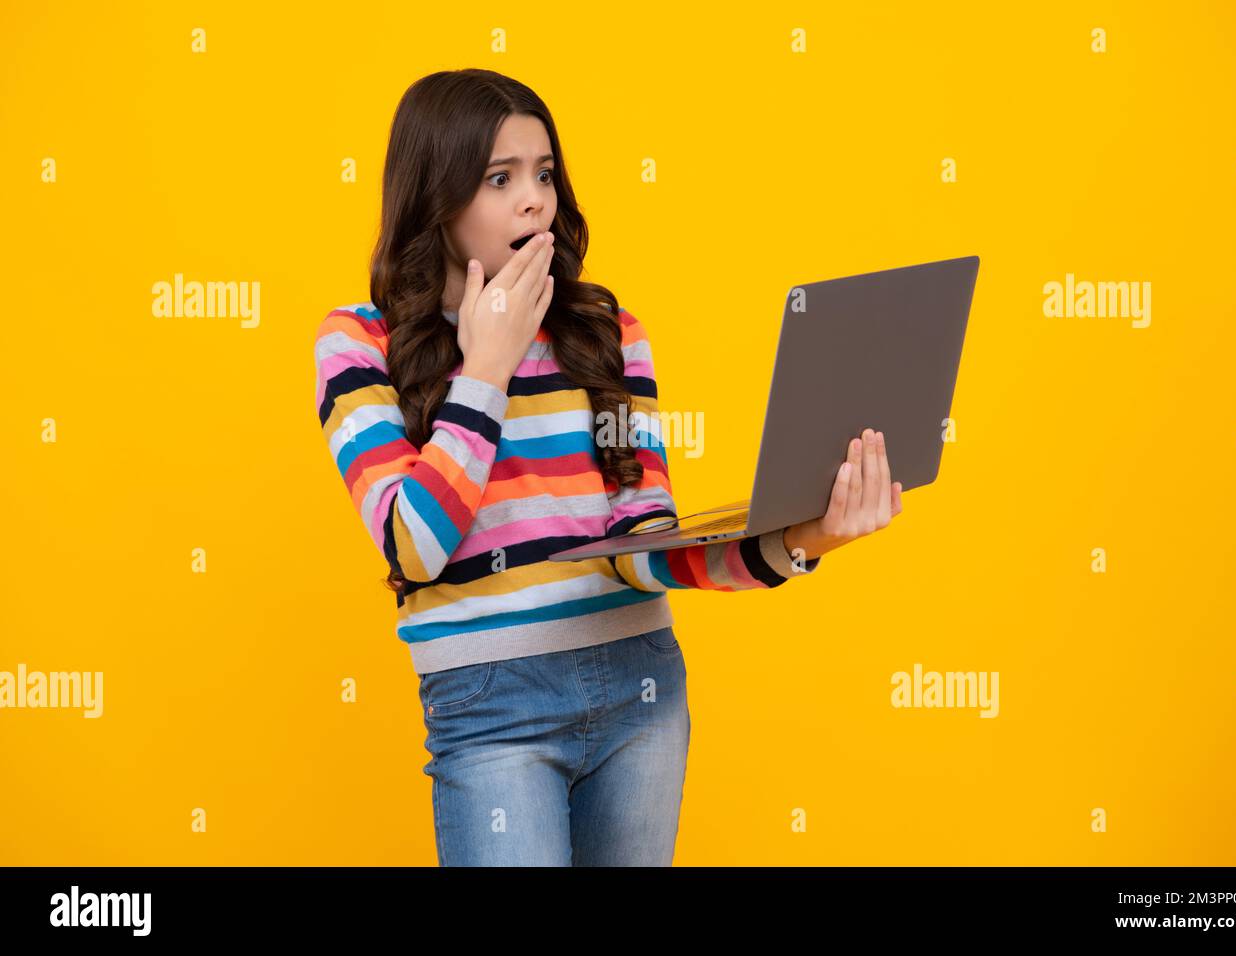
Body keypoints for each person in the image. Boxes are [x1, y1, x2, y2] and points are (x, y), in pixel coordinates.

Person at [313, 68, 903, 866]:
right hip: (491, 712)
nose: (536, 201)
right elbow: (412, 544)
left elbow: (641, 547)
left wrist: (808, 536)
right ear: (437, 198)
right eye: (500, 178)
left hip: (642, 694)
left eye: (545, 174)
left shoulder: (607, 332)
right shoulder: (359, 344)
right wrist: (485, 366)